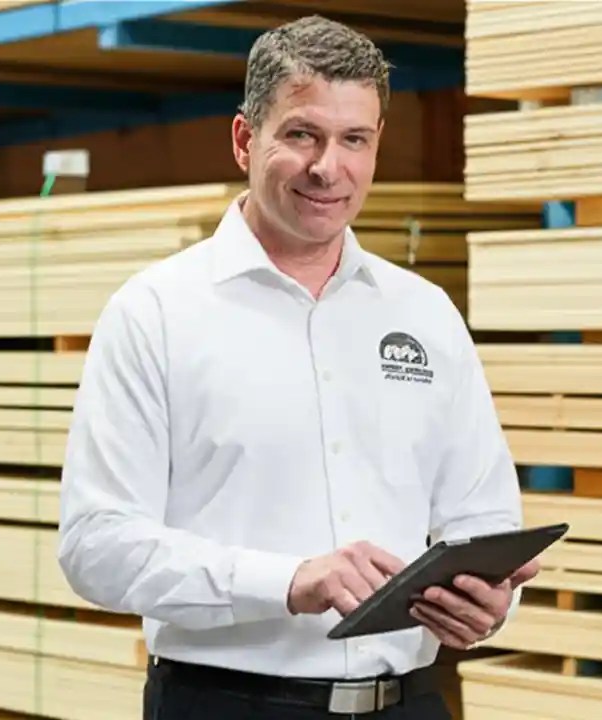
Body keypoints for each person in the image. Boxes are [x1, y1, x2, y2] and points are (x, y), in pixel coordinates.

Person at [57, 14, 536, 720]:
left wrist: (491, 604)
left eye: (354, 140)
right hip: (226, 704)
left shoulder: (425, 315)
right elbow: (95, 546)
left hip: (410, 702)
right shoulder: (155, 312)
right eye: (302, 134)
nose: (328, 168)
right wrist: (289, 581)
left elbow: (483, 514)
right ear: (245, 139)